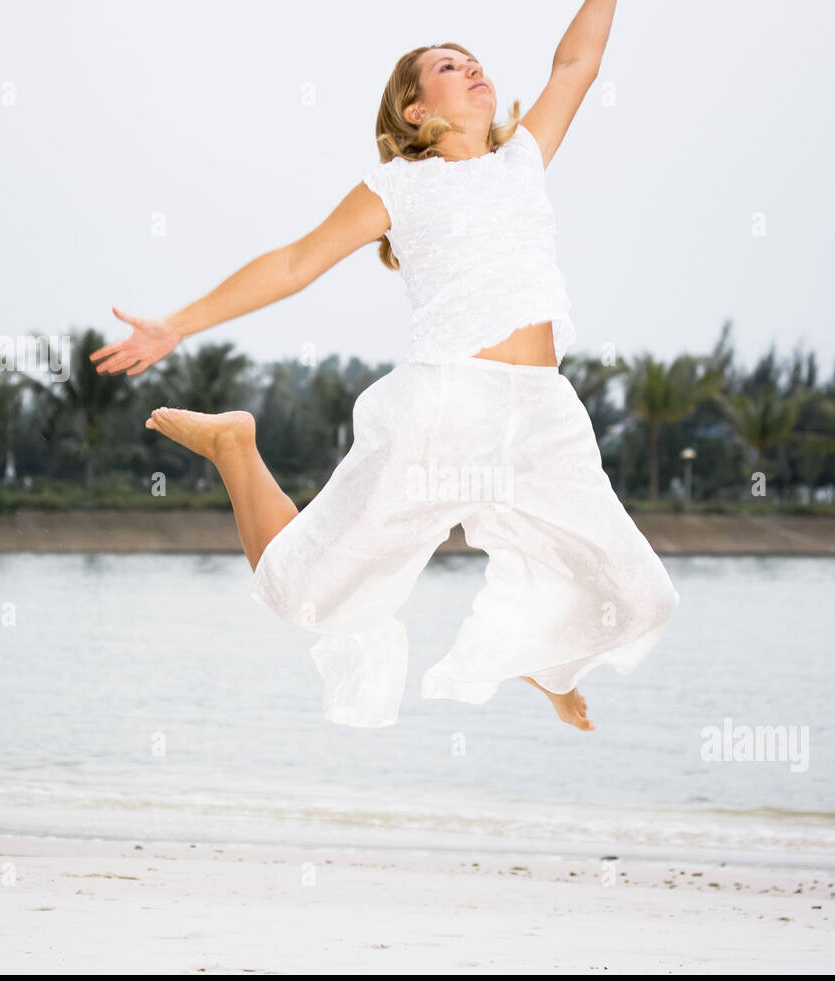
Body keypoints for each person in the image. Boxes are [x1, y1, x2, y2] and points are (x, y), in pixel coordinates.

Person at [90, 3, 679, 731]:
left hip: (545, 416)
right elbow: (296, 263)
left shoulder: (522, 157)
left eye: (473, 60)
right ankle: (232, 444)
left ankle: (541, 660)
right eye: (447, 66)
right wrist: (177, 323)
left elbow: (576, 66)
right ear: (412, 106)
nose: (471, 68)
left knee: (642, 595)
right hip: (446, 407)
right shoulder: (400, 185)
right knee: (310, 594)